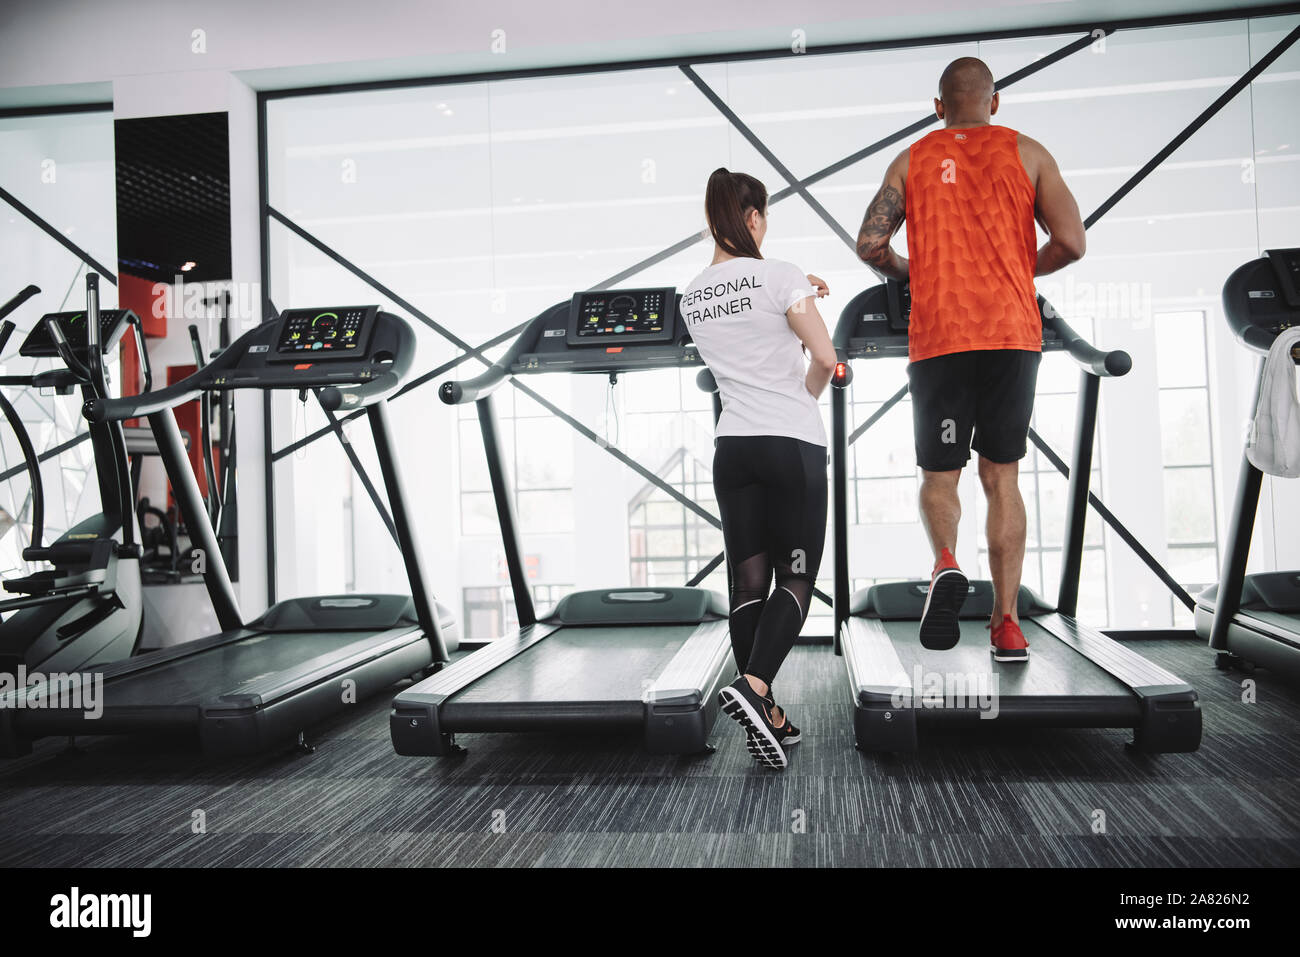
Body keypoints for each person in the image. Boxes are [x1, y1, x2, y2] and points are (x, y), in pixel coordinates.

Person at [854, 56, 1087, 662]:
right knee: (1001, 476)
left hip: (941, 339)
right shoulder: (1029, 152)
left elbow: (870, 244)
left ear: (938, 106)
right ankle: (1007, 625)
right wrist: (1013, 267)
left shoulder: (913, 160)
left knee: (940, 475)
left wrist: (917, 272)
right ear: (995, 101)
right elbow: (1072, 242)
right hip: (1012, 336)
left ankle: (947, 562)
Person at [680, 168, 836, 769]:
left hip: (733, 450)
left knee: (749, 584)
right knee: (796, 577)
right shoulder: (780, 274)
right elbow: (823, 357)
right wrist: (806, 394)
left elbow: (746, 321)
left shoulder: (693, 293)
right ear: (752, 218)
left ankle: (763, 721)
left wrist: (794, 288)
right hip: (790, 442)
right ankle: (756, 687)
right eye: (763, 217)